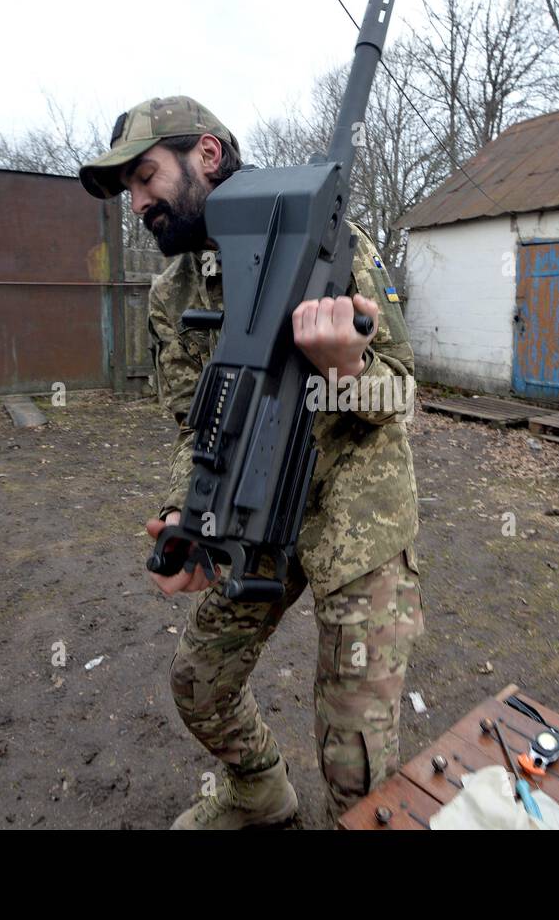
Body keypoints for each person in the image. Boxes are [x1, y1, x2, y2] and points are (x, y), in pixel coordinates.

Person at [79, 96, 423, 828]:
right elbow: (194, 425)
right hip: (255, 508)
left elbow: (402, 394)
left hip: (353, 511)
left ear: (207, 155)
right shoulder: (172, 293)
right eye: (127, 191)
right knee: (199, 684)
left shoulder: (333, 243)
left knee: (355, 756)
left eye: (144, 177)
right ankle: (260, 789)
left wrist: (344, 368)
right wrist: (188, 511)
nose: (136, 202)